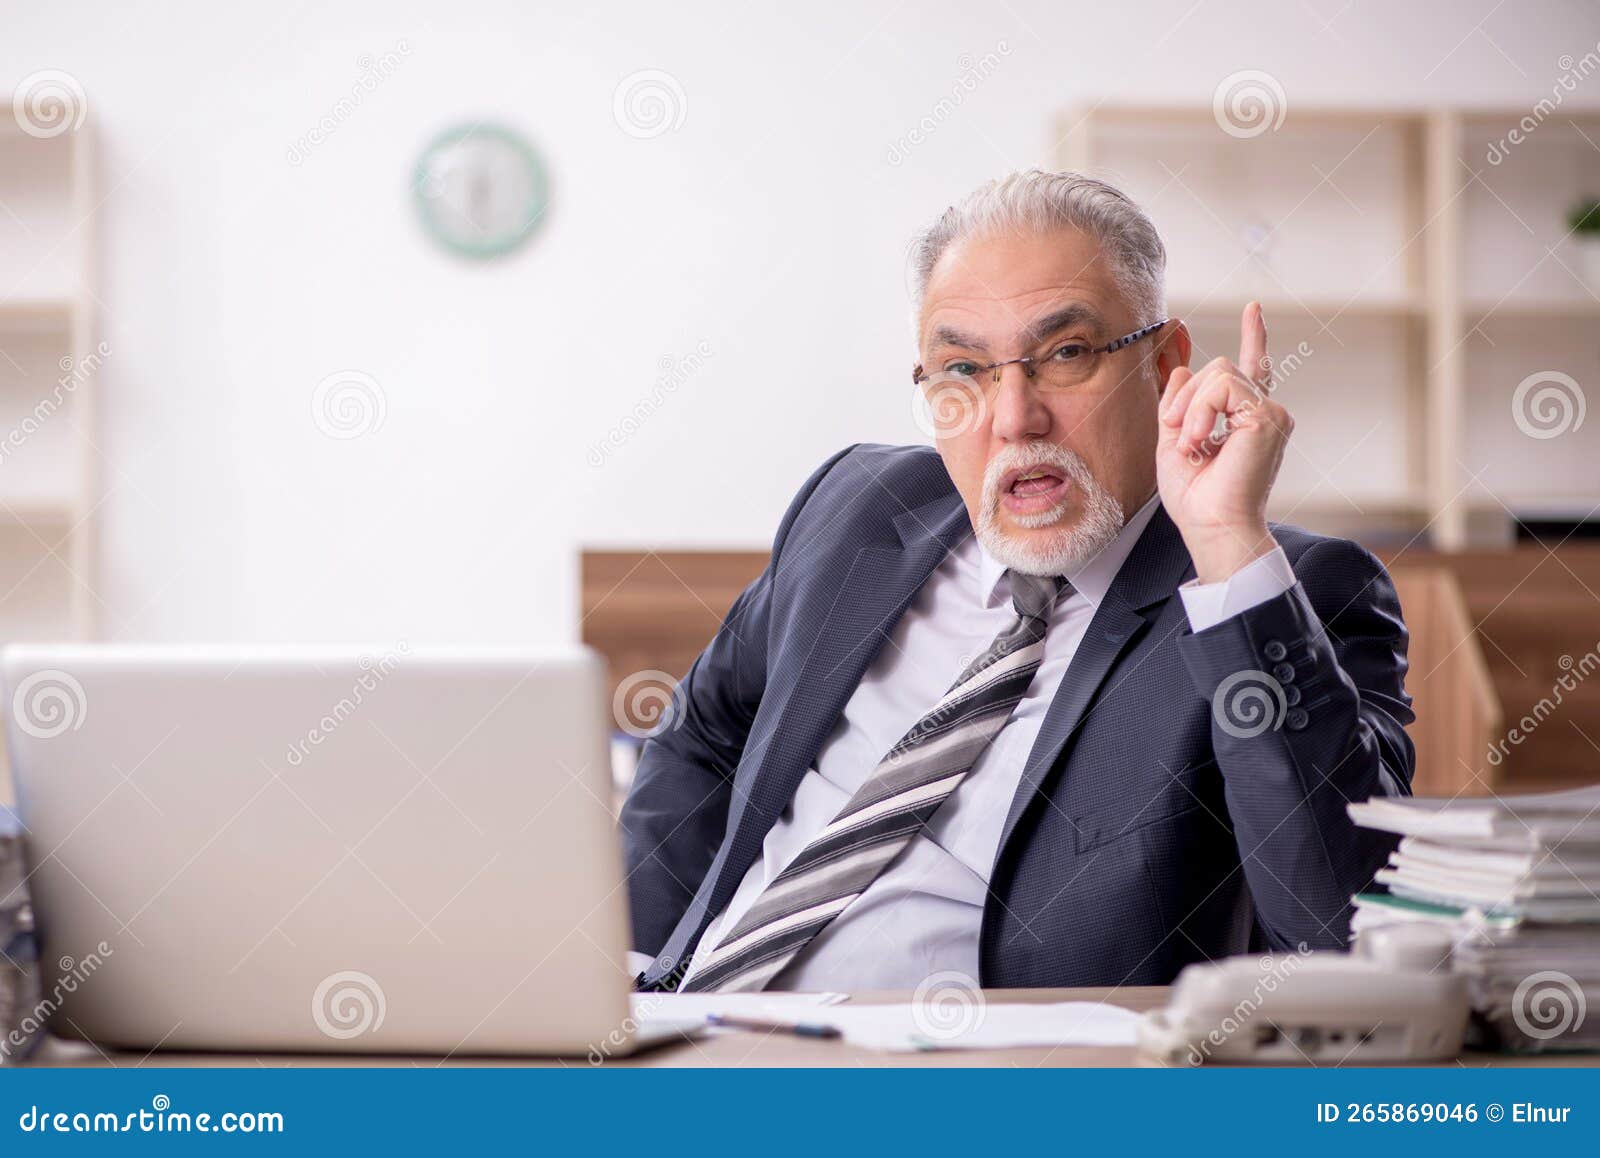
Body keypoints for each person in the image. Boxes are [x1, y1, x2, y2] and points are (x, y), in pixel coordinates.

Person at [622, 170, 1413, 994]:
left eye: (1065, 355)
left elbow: (1335, 931)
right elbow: (706, 733)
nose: (1011, 418)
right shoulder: (857, 509)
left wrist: (1225, 540)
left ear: (1166, 362)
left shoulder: (1281, 593)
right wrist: (631, 967)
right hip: (685, 1032)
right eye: (963, 368)